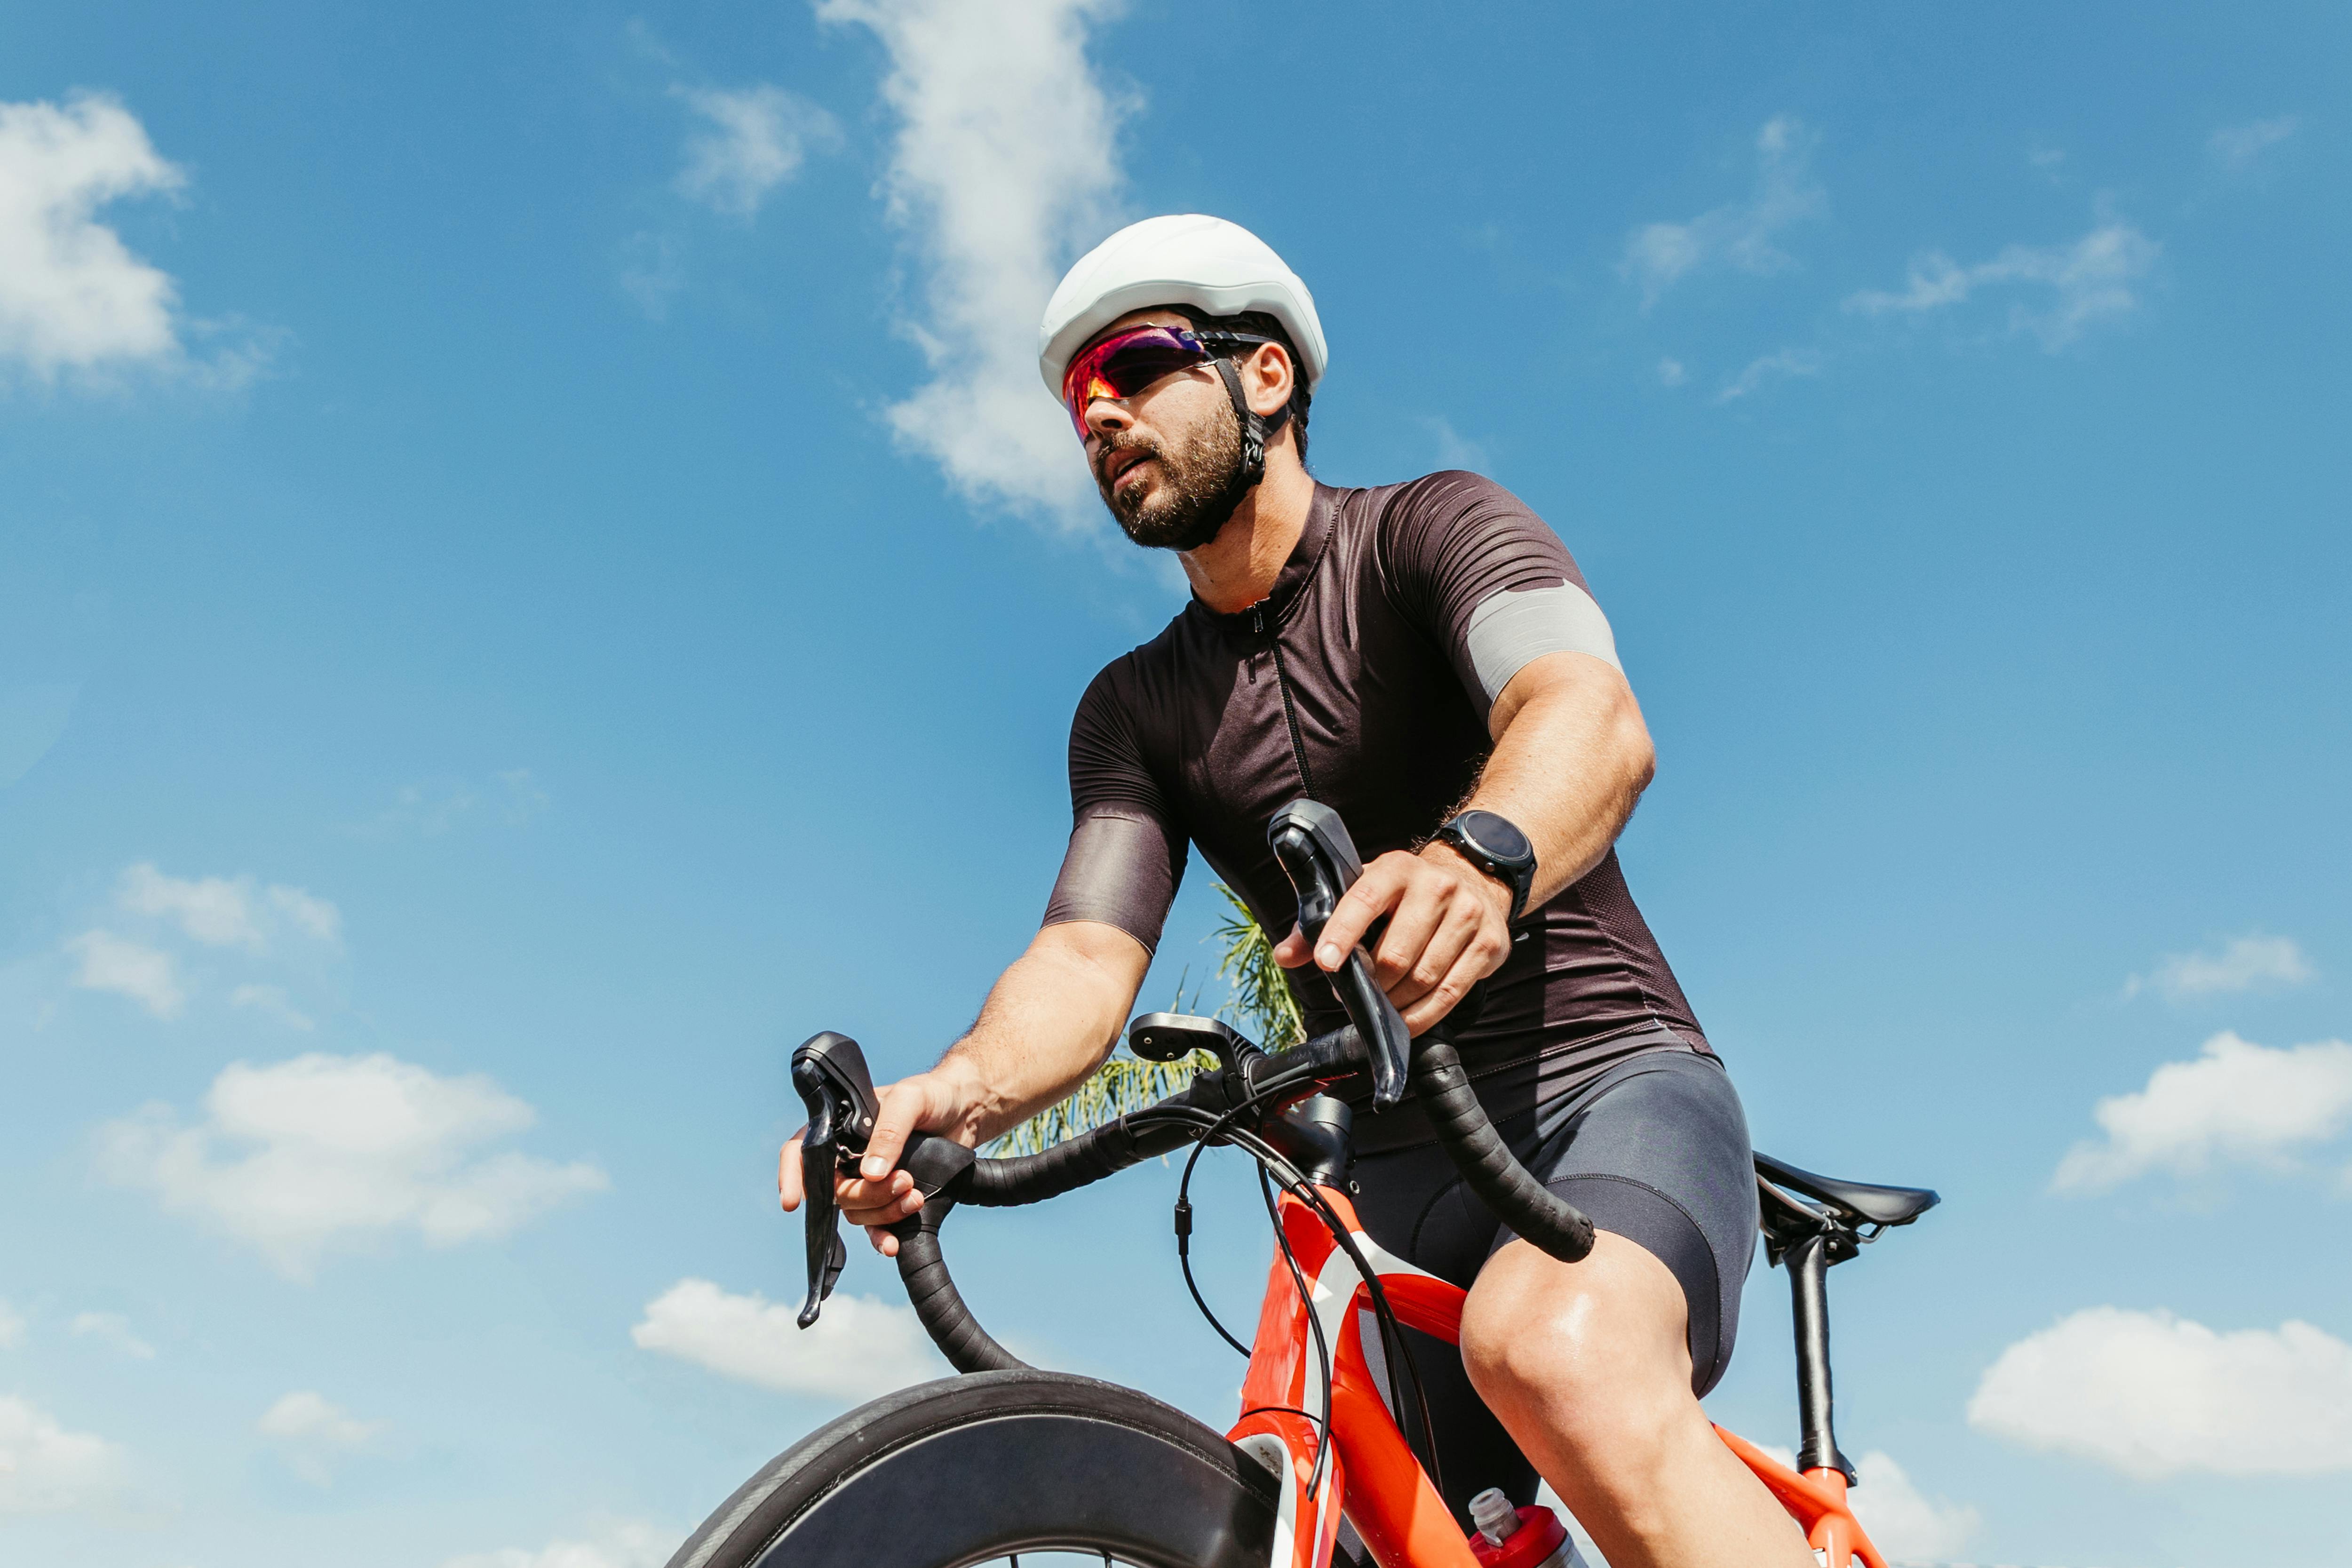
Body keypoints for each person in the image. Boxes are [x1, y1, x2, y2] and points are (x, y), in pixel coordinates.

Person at [779, 214, 1815, 1568]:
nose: (1098, 414)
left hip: (1600, 1091)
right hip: (1380, 1173)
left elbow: (1587, 709)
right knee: (1330, 1513)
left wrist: (1477, 861)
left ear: (1263, 373)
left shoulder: (1432, 531)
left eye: (1134, 366)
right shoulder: (1133, 711)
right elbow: (1087, 958)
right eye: (1077, 399)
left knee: (1552, 1352)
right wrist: (956, 1095)